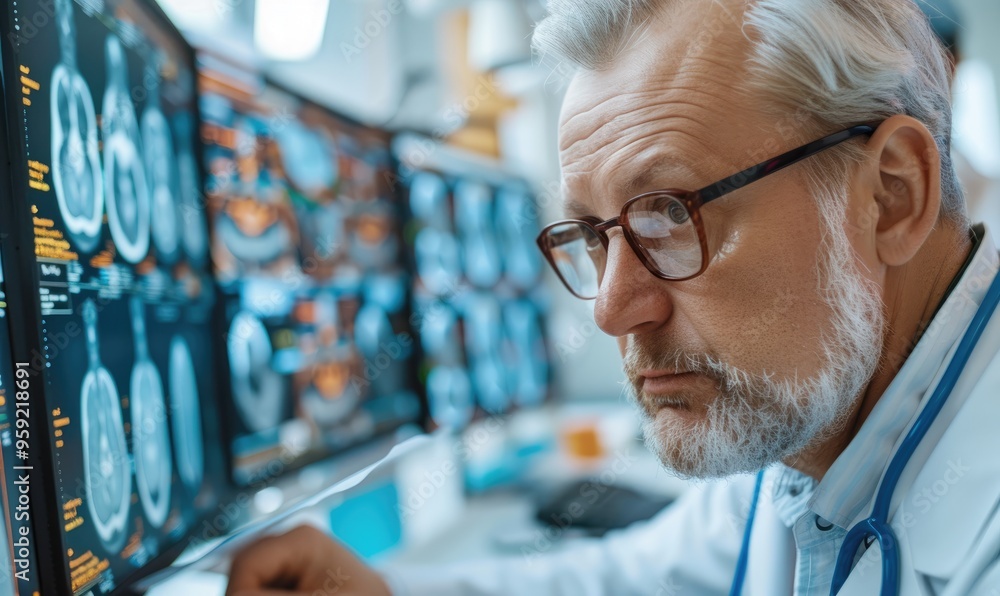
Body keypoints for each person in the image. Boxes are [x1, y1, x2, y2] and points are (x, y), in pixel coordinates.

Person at [226, 0, 1000, 594]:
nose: (610, 310)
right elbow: (636, 576)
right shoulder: (811, 436)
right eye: (595, 238)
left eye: (670, 217)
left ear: (891, 197)